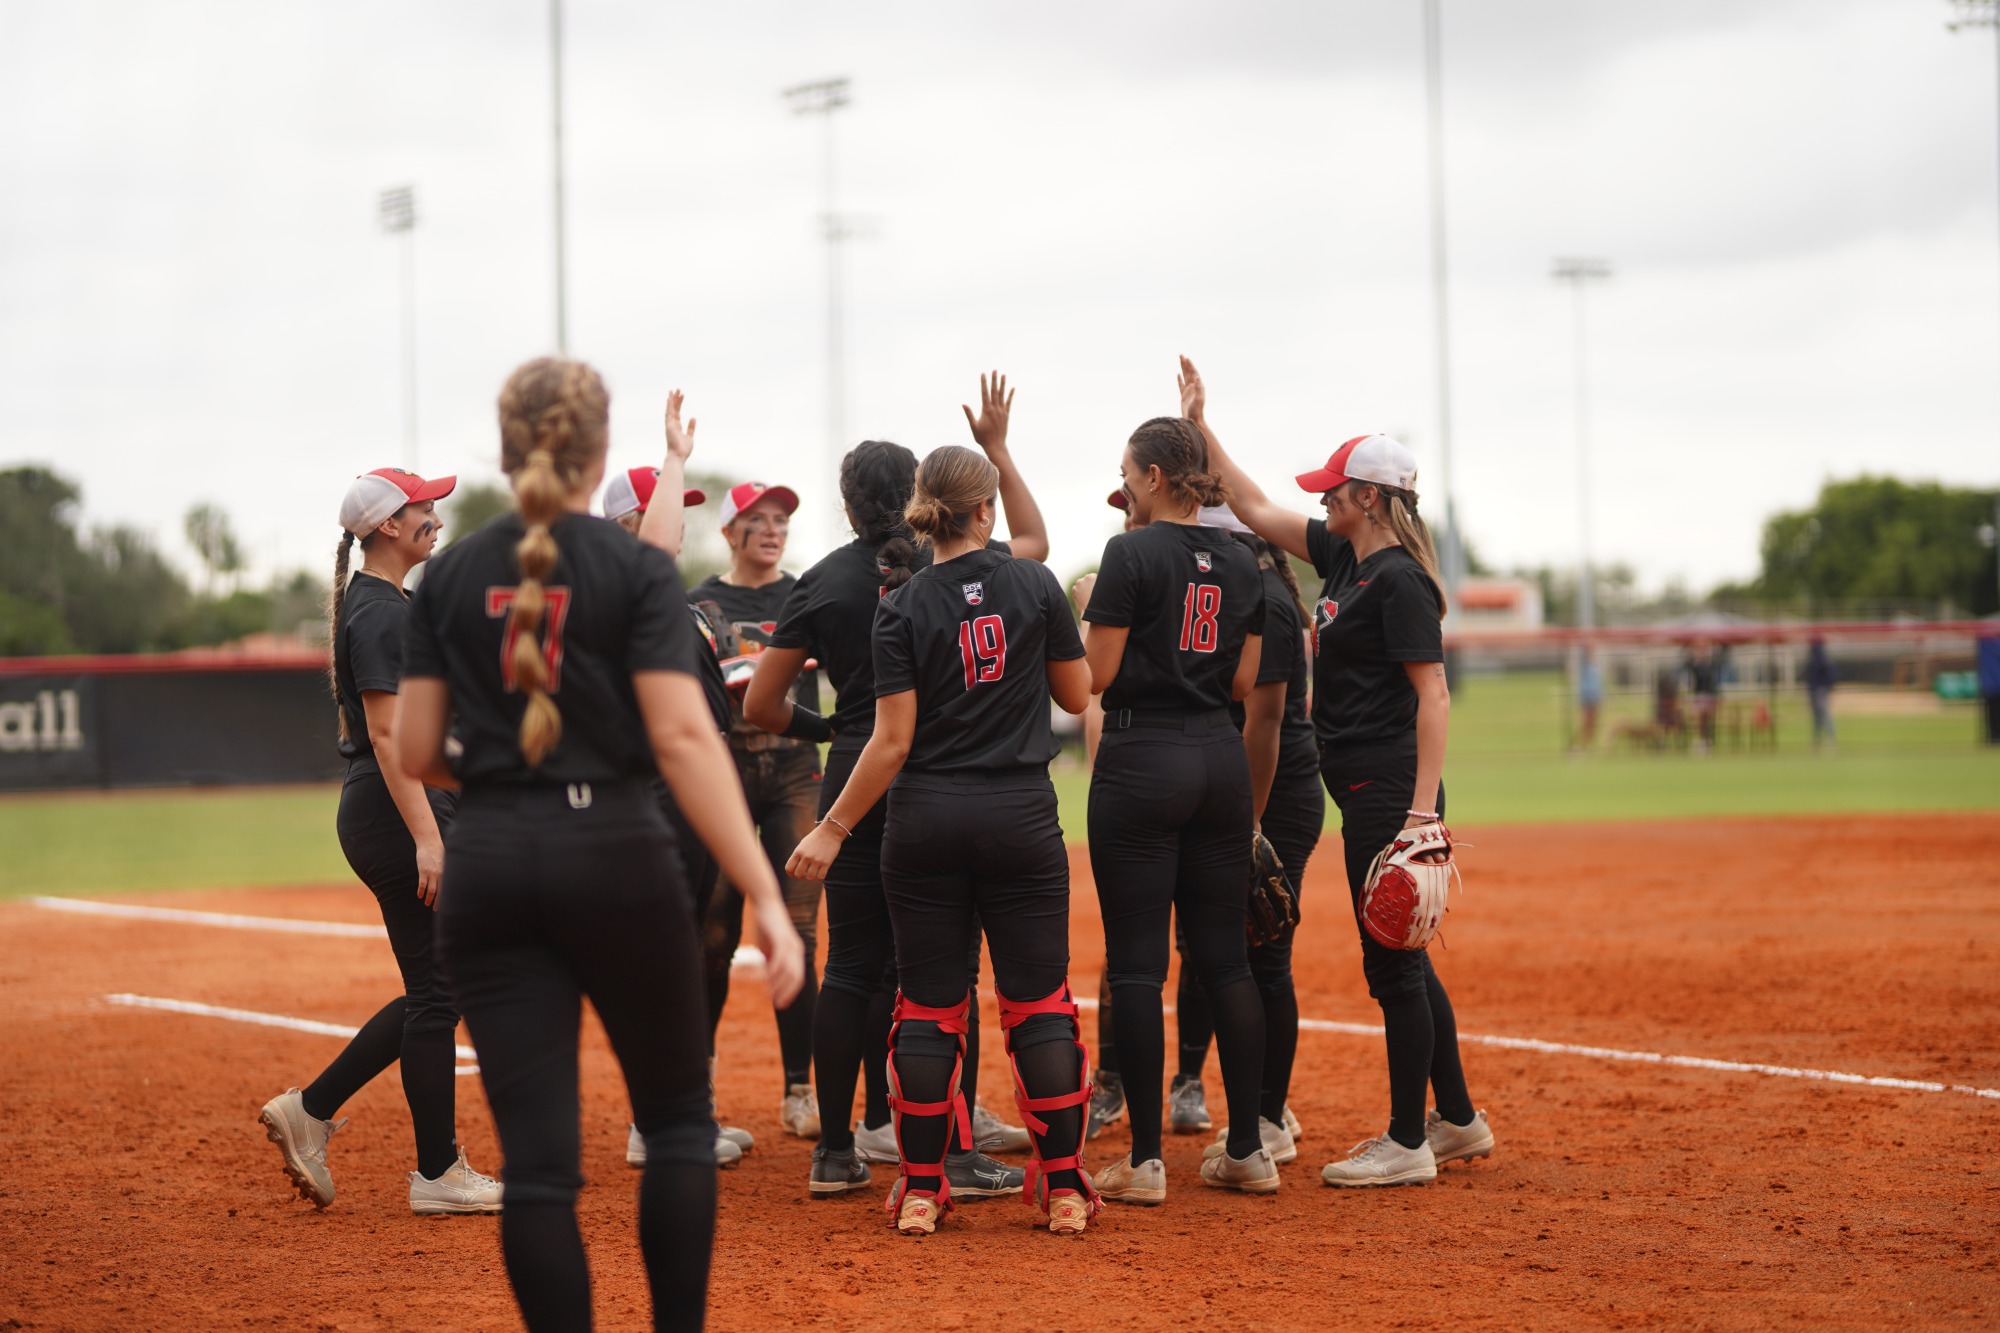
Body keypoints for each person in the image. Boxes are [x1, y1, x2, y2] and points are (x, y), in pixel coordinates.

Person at [394, 357, 805, 1331]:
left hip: (492, 863)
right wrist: (766, 896)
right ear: (595, 455)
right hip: (618, 854)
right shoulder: (634, 570)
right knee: (671, 1127)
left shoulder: (447, 572)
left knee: (537, 1169)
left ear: (507, 450)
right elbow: (679, 736)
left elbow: (416, 750)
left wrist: (506, 781)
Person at [1181, 355, 1495, 1189]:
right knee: (1408, 957)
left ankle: (1406, 1140)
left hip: (1389, 789)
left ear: (1370, 498)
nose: (1322, 499)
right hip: (1361, 785)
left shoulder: (1396, 580)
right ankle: (1457, 1118)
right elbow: (1248, 506)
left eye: (1334, 489)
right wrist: (1202, 422)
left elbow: (1433, 695)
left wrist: (1421, 813)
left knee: (1390, 963)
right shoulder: (1346, 558)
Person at [745, 373, 1045, 1197]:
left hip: (855, 775)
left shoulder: (825, 581)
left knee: (850, 967)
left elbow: (764, 703)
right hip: (936, 776)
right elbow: (1037, 549)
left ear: (846, 508)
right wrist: (997, 449)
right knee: (943, 971)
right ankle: (949, 1148)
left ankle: (837, 1151)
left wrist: (832, 729)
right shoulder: (951, 566)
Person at [788, 444, 1097, 1236]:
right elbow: (1076, 691)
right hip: (1019, 814)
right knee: (1039, 1003)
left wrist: (832, 826)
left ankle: (922, 1189)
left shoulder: (902, 602)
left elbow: (890, 742)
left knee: (929, 1003)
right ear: (985, 509)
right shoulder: (1033, 583)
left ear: (927, 510)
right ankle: (1063, 1187)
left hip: (923, 818)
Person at [259, 467, 503, 1217]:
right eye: (422, 506)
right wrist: (429, 836)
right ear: (389, 526)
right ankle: (433, 1170)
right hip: (399, 813)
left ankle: (315, 1109)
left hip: (403, 808)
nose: (436, 514)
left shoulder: (389, 604)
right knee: (439, 991)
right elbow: (392, 735)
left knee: (440, 987)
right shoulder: (379, 611)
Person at [1071, 413, 1279, 1203]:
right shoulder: (1243, 557)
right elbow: (1240, 684)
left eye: (1130, 474)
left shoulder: (1127, 551)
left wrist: (1092, 601)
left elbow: (1097, 674)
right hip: (1218, 758)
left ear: (1155, 478)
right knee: (1224, 957)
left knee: (1135, 963)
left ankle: (1148, 1160)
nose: (1125, 486)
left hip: (1142, 755)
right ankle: (1249, 1147)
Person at [601, 448, 755, 1169]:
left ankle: (677, 1115)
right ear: (631, 524)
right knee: (664, 960)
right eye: (670, 508)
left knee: (687, 952)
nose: (683, 526)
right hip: (659, 795)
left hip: (685, 791)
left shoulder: (673, 604)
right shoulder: (620, 593)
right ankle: (658, 1123)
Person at [683, 477, 825, 1140]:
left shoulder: (806, 593)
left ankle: (801, 1087)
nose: (772, 530)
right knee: (713, 933)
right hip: (725, 769)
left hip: (797, 768)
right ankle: (699, 1080)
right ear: (730, 530)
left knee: (798, 930)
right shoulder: (702, 602)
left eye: (781, 521)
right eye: (758, 519)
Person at [1804, 637, 1836, 748]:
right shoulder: (1817, 657)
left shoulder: (1820, 658)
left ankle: (1829, 739)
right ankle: (1818, 740)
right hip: (1816, 690)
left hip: (1820, 690)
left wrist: (1826, 687)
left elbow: (1831, 675)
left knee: (1824, 715)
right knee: (1818, 717)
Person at [1577, 649, 1604, 750]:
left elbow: (1598, 684)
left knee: (1594, 723)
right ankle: (1582, 744)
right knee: (1585, 723)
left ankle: (1590, 744)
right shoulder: (1584, 665)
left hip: (1595, 698)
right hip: (1586, 698)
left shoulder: (1595, 667)